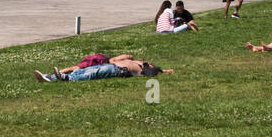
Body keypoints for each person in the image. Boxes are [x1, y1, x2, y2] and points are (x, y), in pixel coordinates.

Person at [35, 54, 173, 82]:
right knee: (84, 70)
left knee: (92, 73)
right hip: (111, 66)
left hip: (117, 71)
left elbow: (154, 72)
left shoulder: (144, 68)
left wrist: (164, 71)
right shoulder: (137, 62)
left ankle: (65, 77)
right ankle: (50, 77)